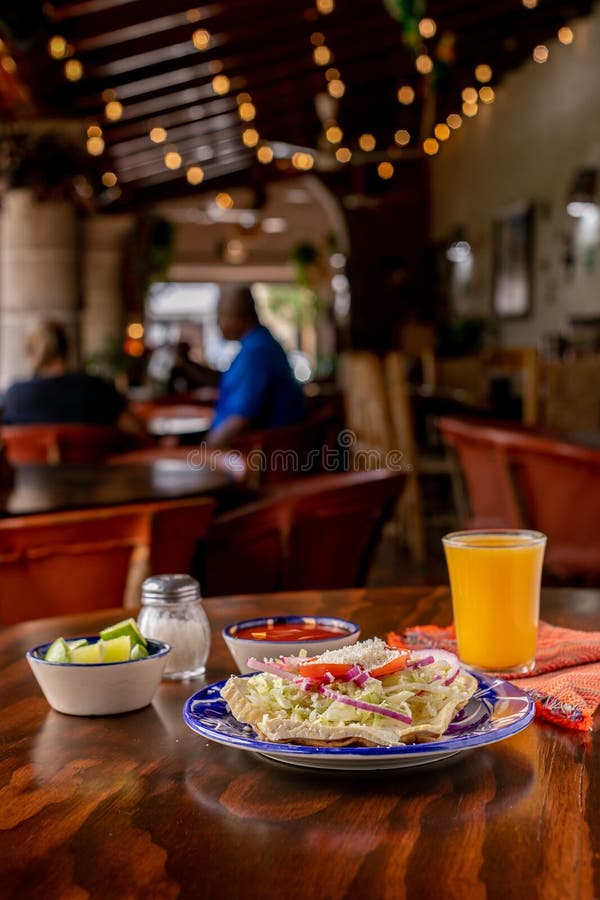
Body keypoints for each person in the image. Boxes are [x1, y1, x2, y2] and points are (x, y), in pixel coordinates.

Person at [1, 320, 147, 438]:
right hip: (95, 474)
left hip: (28, 474)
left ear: (30, 354)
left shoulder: (13, 397)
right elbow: (137, 431)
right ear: (68, 349)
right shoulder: (94, 389)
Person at [205, 285, 306, 447]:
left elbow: (240, 420)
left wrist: (202, 452)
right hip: (257, 448)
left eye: (220, 315)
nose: (217, 324)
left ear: (238, 318)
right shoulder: (259, 342)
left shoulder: (256, 351)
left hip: (261, 457)